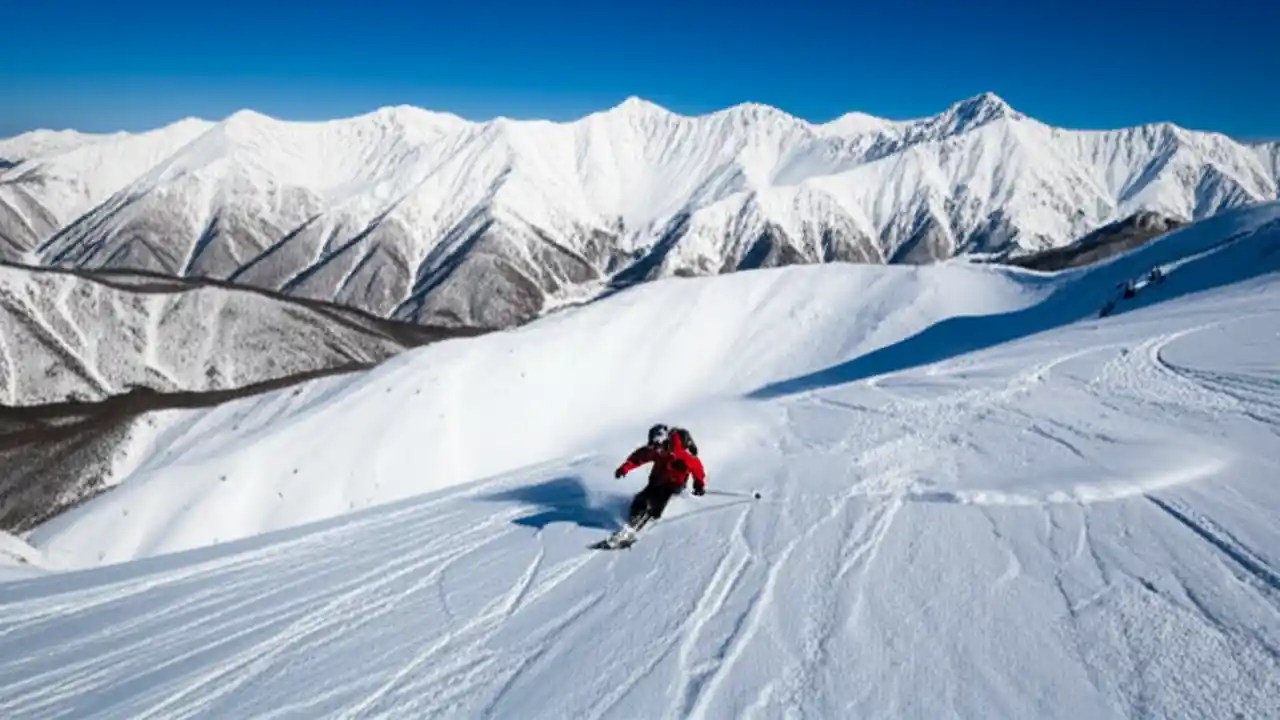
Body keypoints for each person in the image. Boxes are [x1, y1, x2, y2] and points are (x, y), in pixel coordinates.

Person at [614, 423, 706, 538]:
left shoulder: (682, 454)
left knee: (657, 504)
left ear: (665, 441)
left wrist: (699, 484)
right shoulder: (655, 449)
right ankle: (632, 522)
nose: (657, 450)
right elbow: (638, 458)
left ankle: (649, 520)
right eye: (654, 445)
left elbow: (697, 467)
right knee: (642, 498)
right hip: (657, 480)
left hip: (674, 484)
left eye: (658, 446)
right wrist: (624, 468)